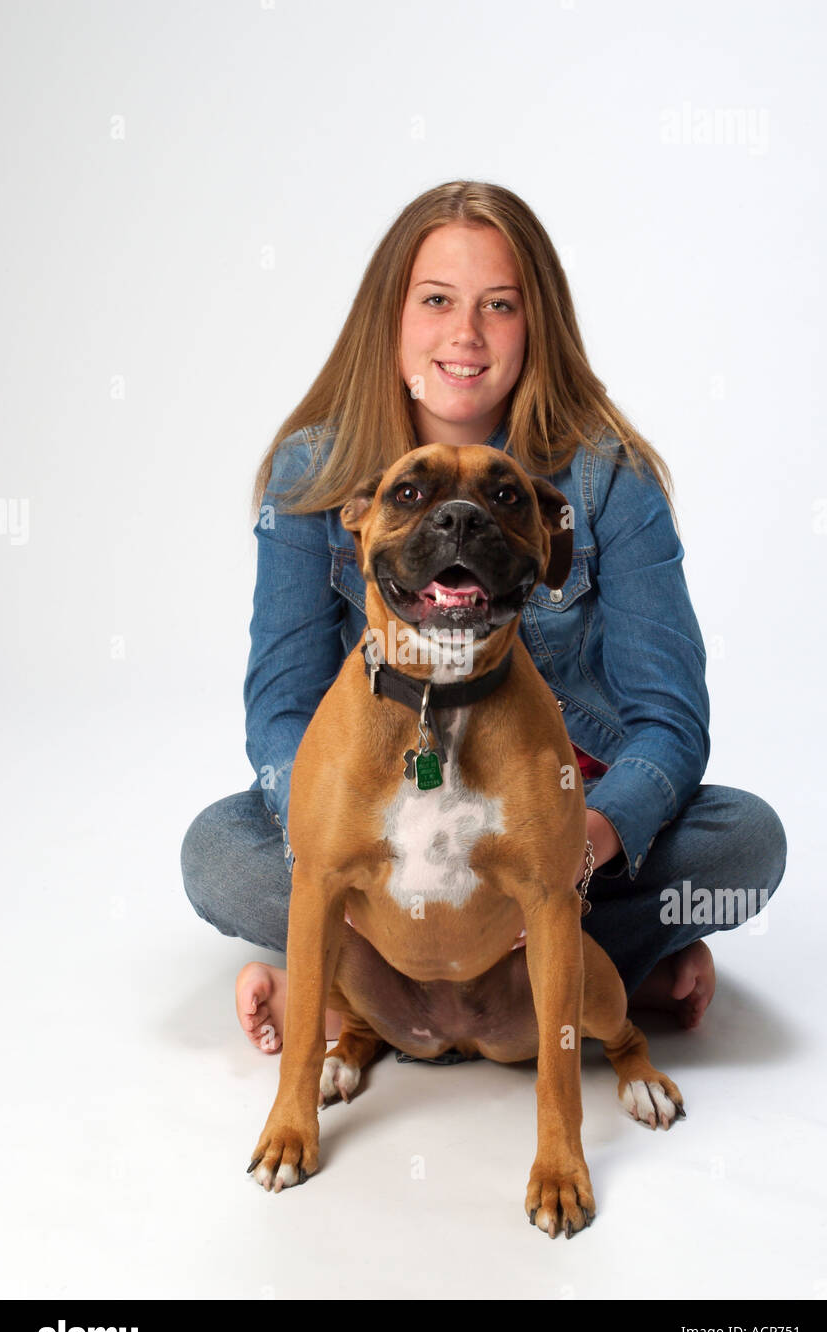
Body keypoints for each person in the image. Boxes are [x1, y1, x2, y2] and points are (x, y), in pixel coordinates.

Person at [180, 180, 787, 1057]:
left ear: (535, 327)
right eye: (436, 301)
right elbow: (281, 707)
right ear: (389, 323)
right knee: (217, 852)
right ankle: (478, 973)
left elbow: (671, 721)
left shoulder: (609, 477)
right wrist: (341, 857)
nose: (464, 335)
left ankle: (374, 985)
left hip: (548, 840)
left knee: (745, 841)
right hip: (381, 841)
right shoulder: (312, 474)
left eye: (498, 306)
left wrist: (582, 845)